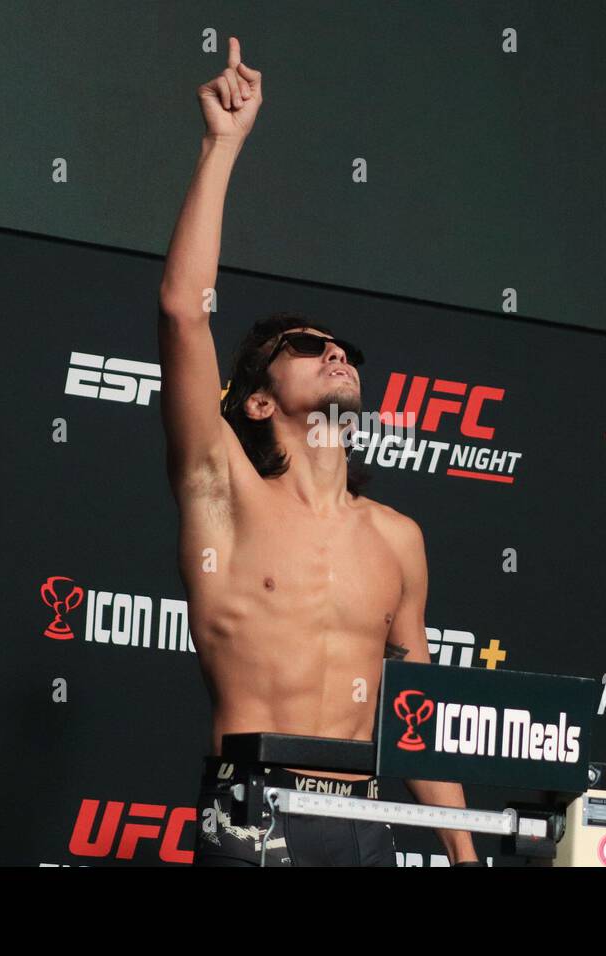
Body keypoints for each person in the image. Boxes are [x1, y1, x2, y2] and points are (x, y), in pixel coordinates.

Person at [157, 36, 480, 866]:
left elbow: (416, 717)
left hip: (369, 823)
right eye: (306, 346)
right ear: (258, 399)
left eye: (344, 349)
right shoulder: (222, 494)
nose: (336, 353)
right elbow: (185, 314)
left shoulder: (398, 538)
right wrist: (222, 146)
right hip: (256, 817)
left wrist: (468, 855)